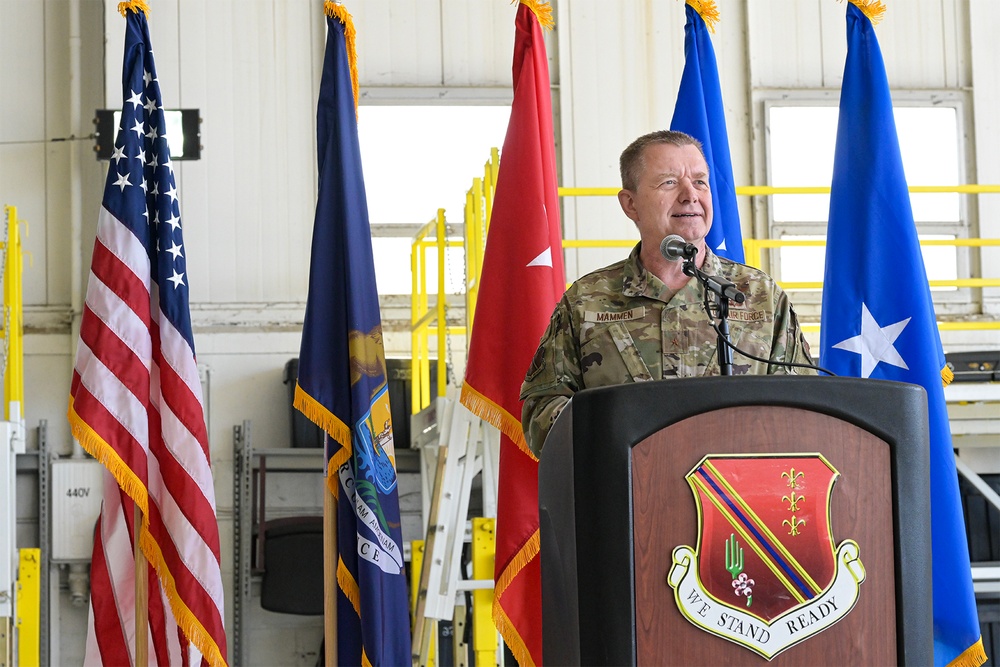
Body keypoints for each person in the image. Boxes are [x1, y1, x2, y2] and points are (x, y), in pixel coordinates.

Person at [520, 130, 816, 455]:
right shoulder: (586, 300)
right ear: (630, 204)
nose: (690, 195)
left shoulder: (759, 295)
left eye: (700, 182)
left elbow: (803, 408)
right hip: (627, 494)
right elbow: (541, 413)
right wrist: (620, 438)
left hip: (737, 497)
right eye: (669, 183)